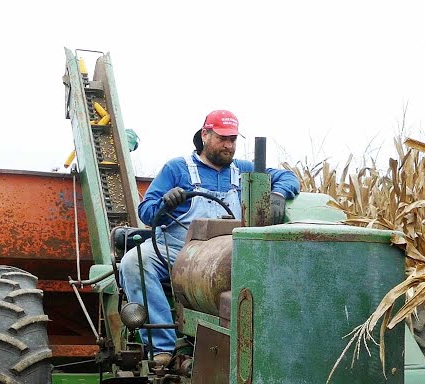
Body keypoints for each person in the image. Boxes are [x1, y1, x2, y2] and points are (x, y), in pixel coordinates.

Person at [122, 110, 300, 366]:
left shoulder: (245, 170)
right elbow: (147, 211)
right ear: (205, 135)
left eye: (233, 140)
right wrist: (166, 202)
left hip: (228, 254)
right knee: (134, 263)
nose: (229, 145)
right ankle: (162, 347)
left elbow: (287, 176)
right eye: (222, 138)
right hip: (177, 250)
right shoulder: (177, 168)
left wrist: (279, 194)